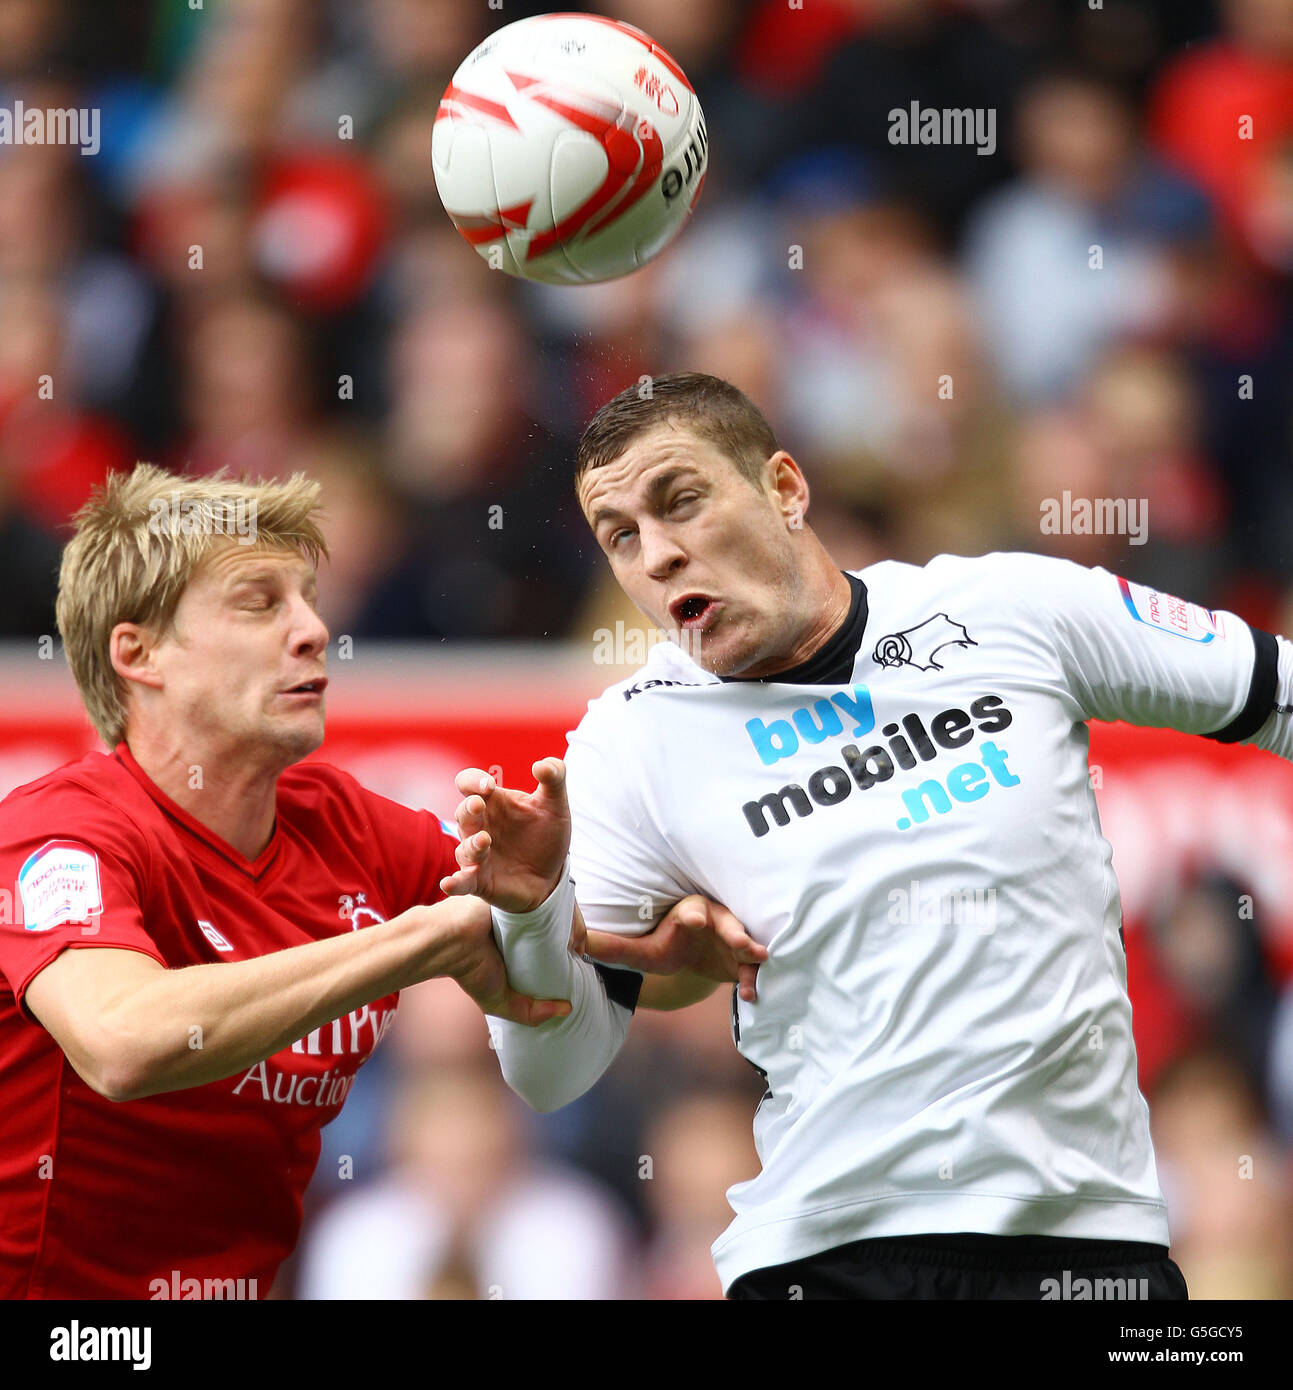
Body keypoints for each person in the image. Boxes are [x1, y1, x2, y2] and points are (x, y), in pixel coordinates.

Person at [445, 372, 1293, 1301]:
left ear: (783, 488)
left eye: (678, 501)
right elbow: (550, 1075)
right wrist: (531, 917)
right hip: (826, 1257)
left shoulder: (1009, 610)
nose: (656, 555)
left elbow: (1275, 693)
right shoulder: (629, 743)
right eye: (620, 537)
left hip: (1090, 1247)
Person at [0, 462, 748, 1299]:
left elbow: (590, 980)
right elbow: (122, 1043)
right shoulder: (57, 831)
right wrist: (416, 941)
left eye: (309, 599)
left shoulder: (348, 825)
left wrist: (622, 934)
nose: (314, 629)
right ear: (138, 654)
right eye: (259, 603)